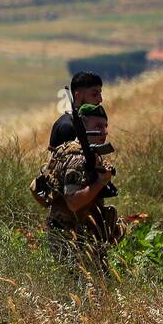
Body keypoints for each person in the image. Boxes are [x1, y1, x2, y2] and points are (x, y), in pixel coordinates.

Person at [34, 103, 123, 271]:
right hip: (71, 238)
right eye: (98, 126)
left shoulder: (86, 153)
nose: (104, 131)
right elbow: (73, 202)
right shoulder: (76, 158)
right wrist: (101, 182)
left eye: (105, 126)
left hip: (80, 236)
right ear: (82, 126)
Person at [49, 71, 104, 150]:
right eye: (94, 94)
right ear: (78, 96)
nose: (100, 99)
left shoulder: (84, 121)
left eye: (100, 94)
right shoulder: (67, 126)